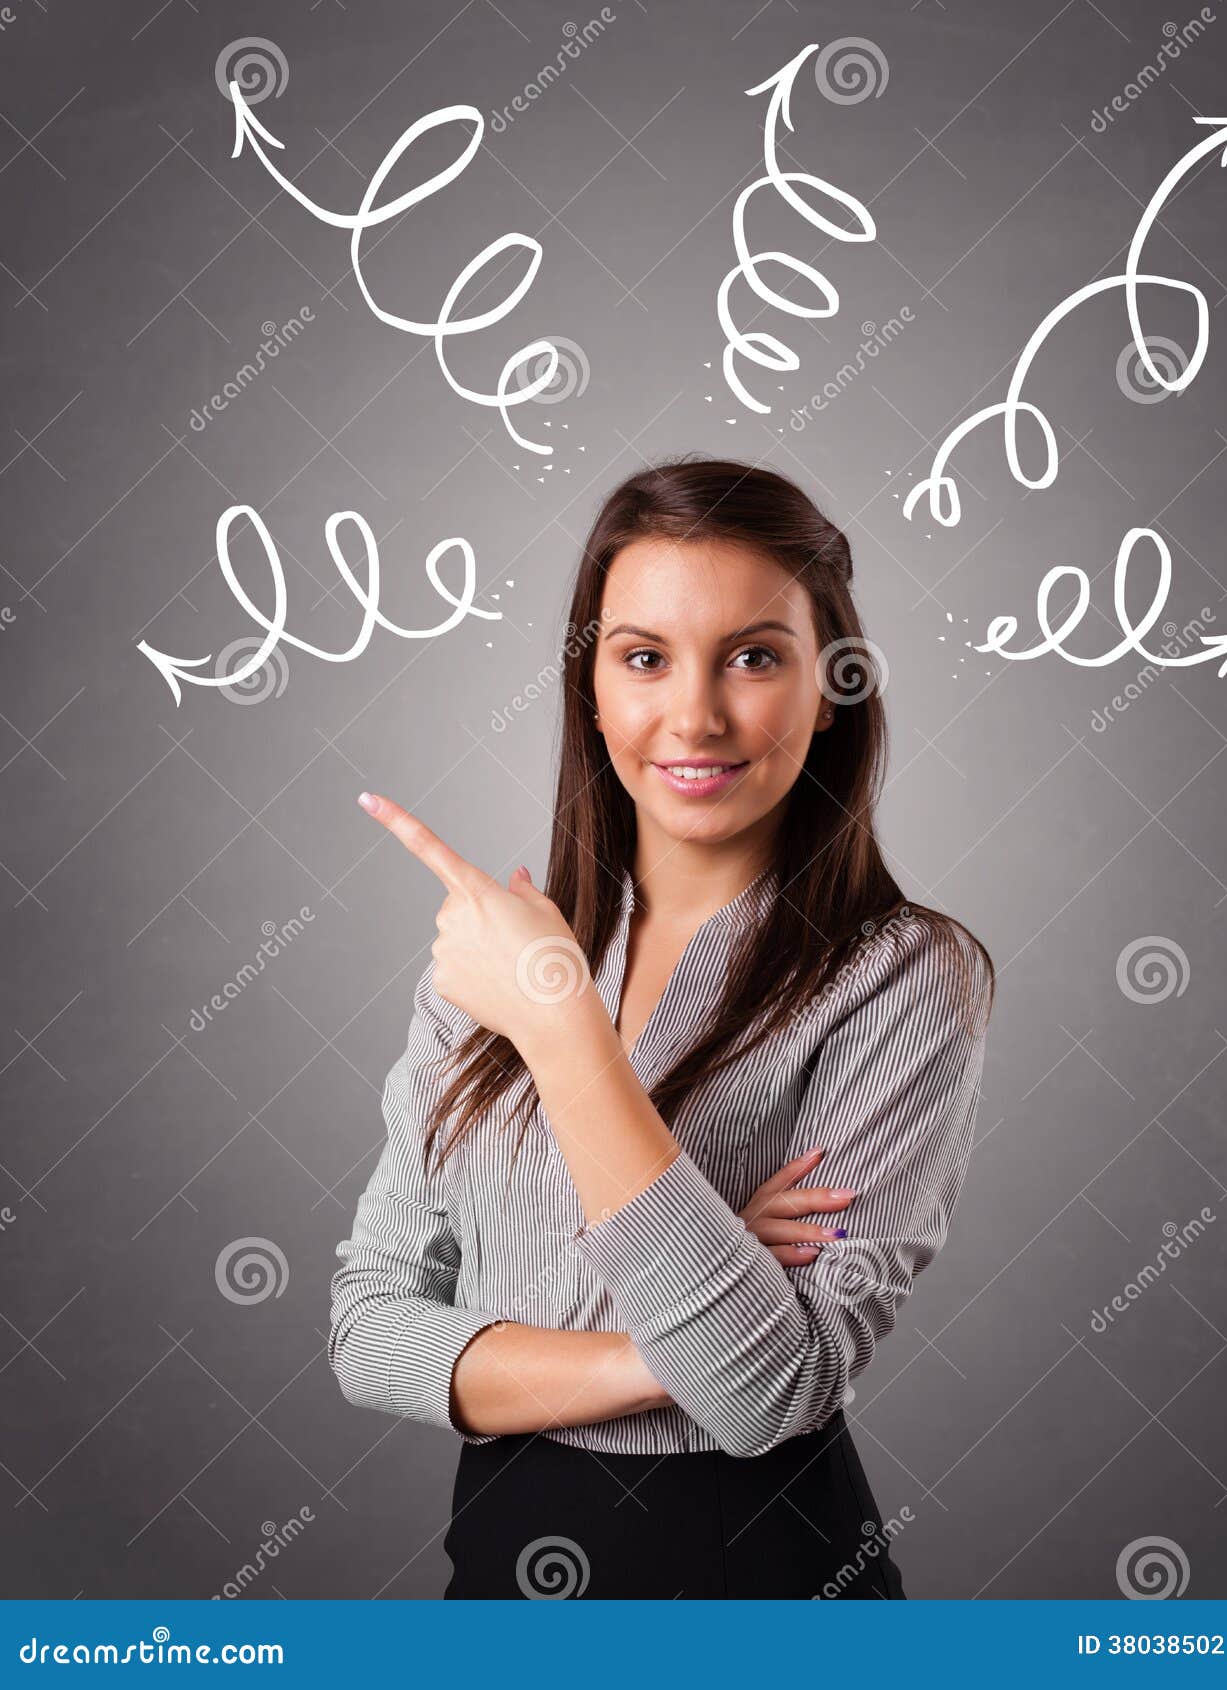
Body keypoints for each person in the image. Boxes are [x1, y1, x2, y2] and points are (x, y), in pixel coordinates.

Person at [328, 458, 994, 1599]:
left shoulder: (900, 976)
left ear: (831, 684)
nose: (695, 716)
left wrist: (561, 1030)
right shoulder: (494, 957)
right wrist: (674, 1336)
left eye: (754, 657)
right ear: (591, 690)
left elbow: (763, 1395)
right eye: (644, 658)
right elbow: (370, 1334)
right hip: (497, 1585)